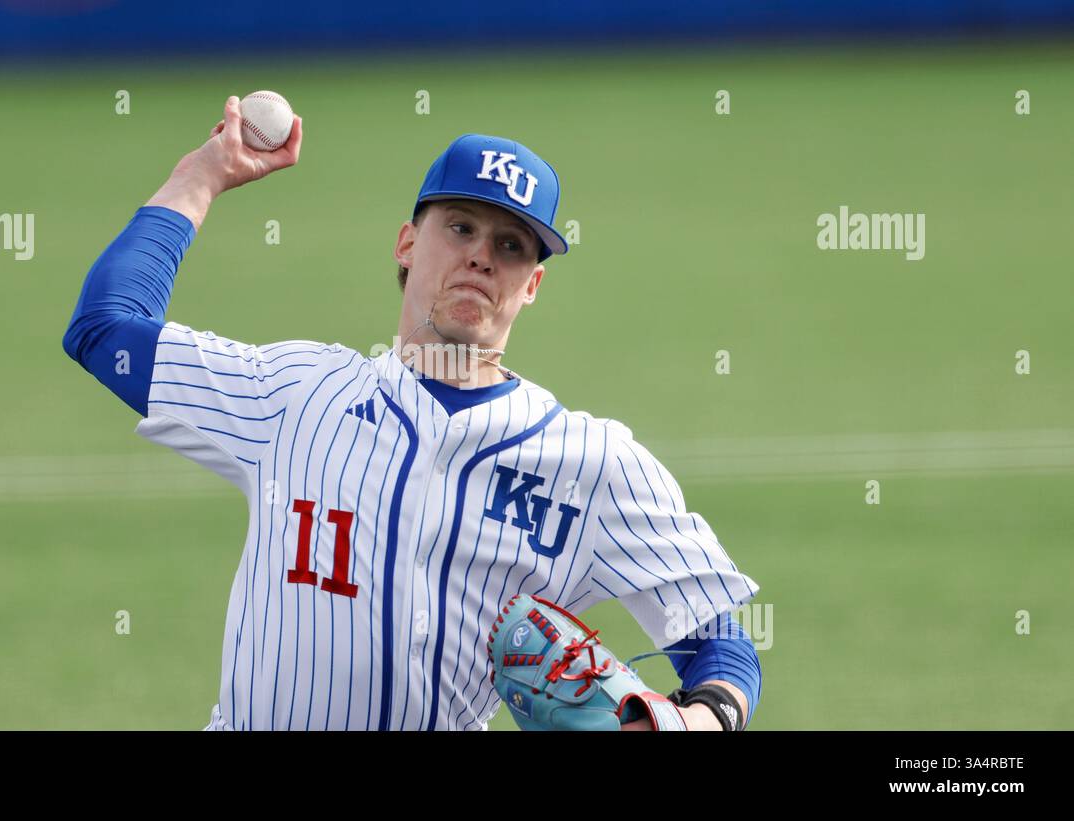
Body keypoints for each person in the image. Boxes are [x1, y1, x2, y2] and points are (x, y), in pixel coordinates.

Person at [63, 94, 762, 730]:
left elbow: (720, 645)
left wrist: (695, 720)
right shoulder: (293, 394)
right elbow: (105, 326)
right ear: (406, 243)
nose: (481, 258)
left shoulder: (592, 464)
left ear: (533, 286)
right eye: (460, 227)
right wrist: (202, 175)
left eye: (511, 246)